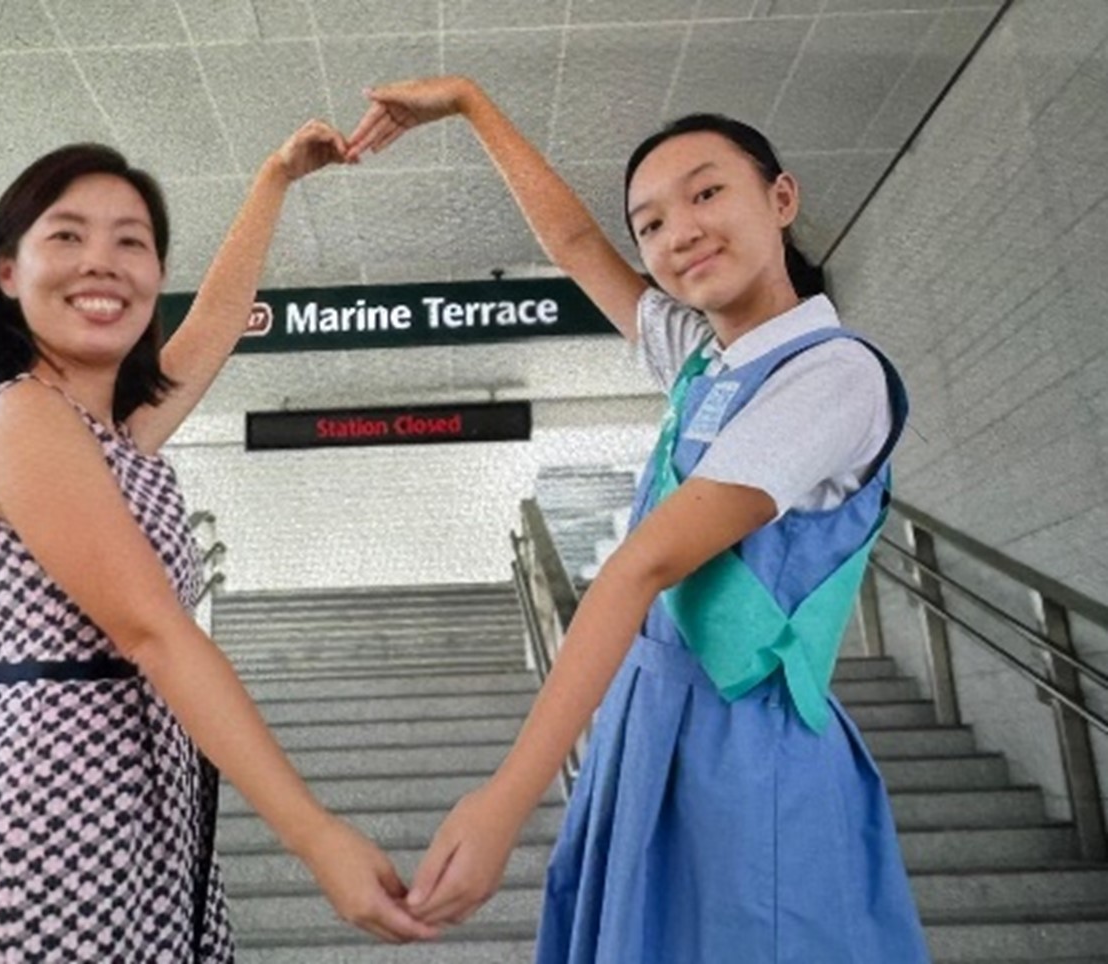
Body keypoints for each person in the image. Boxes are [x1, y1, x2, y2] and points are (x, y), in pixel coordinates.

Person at [346, 77, 930, 963]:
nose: (679, 233)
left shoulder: (833, 374)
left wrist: (508, 798)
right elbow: (579, 245)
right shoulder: (705, 360)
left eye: (707, 193)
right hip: (646, 720)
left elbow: (642, 567)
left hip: (742, 747)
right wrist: (472, 106)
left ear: (781, 199)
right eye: (650, 224)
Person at [0, 122, 437, 962]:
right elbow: (153, 630)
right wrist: (314, 833)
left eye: (132, 242)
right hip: (52, 814)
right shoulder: (27, 416)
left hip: (132, 806)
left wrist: (274, 180)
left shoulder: (108, 432)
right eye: (67, 237)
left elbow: (217, 322)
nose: (102, 262)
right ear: (7, 272)